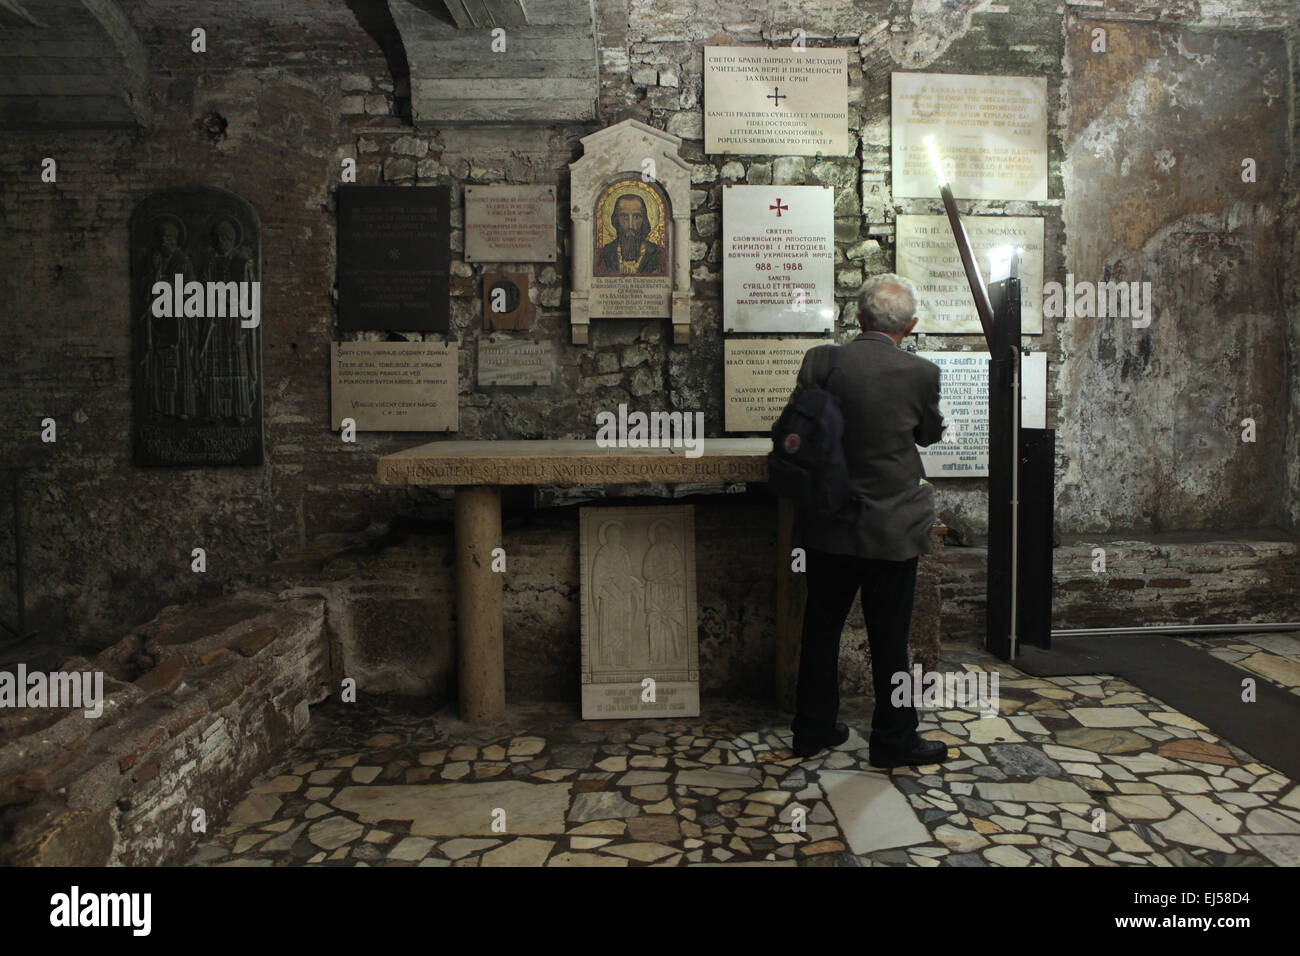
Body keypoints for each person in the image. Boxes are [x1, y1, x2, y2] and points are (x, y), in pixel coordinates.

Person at [787, 273, 951, 767]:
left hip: (829, 525)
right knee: (890, 640)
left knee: (820, 631)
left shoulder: (820, 361)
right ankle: (893, 738)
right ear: (910, 326)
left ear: (858, 318)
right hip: (891, 529)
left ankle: (812, 730)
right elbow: (928, 434)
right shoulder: (921, 373)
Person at [597, 194, 662, 275]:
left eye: (636, 217)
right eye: (624, 216)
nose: (630, 225)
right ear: (616, 220)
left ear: (644, 220)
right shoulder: (604, 253)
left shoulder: (658, 254)